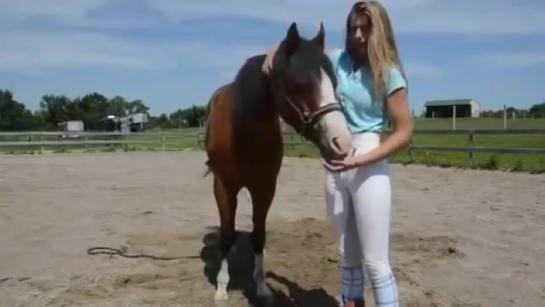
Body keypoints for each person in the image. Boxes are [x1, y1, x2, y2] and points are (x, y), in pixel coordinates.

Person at [262, 1, 413, 306]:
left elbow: (404, 132)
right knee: (347, 256)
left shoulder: (389, 74)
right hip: (335, 165)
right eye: (352, 27)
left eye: (365, 28)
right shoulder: (335, 61)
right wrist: (278, 49)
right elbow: (288, 56)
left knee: (375, 261)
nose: (357, 34)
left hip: (369, 160)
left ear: (378, 30)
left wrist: (361, 159)